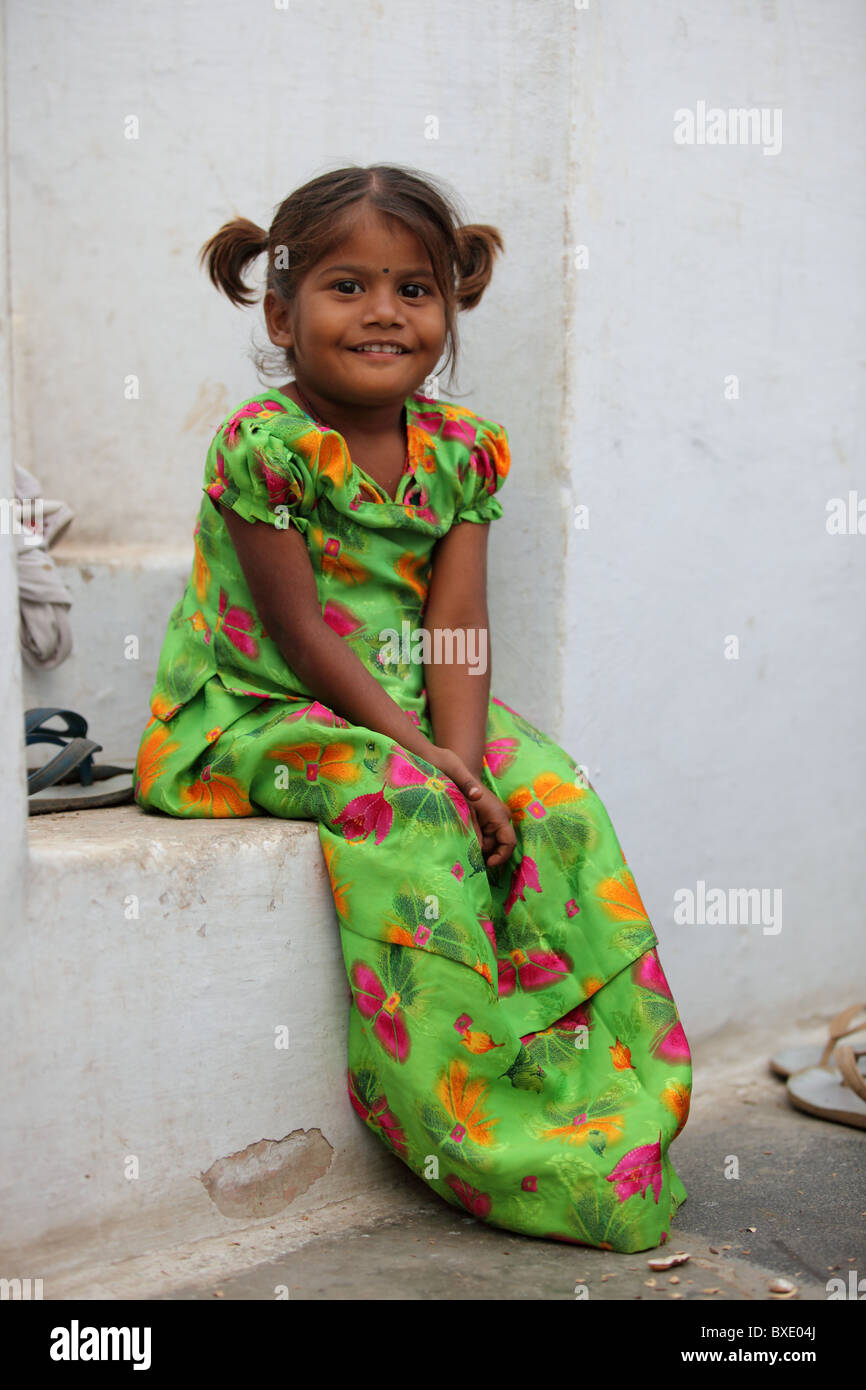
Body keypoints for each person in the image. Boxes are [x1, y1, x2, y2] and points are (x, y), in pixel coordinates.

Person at [133, 163, 692, 1252]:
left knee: (555, 794)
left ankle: (599, 1097)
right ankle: (459, 1117)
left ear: (450, 305)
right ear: (283, 313)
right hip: (261, 709)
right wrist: (427, 762)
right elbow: (300, 637)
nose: (384, 312)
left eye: (414, 289)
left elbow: (457, 625)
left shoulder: (461, 449)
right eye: (347, 286)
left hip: (408, 704)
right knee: (414, 811)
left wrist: (471, 756)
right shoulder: (265, 444)